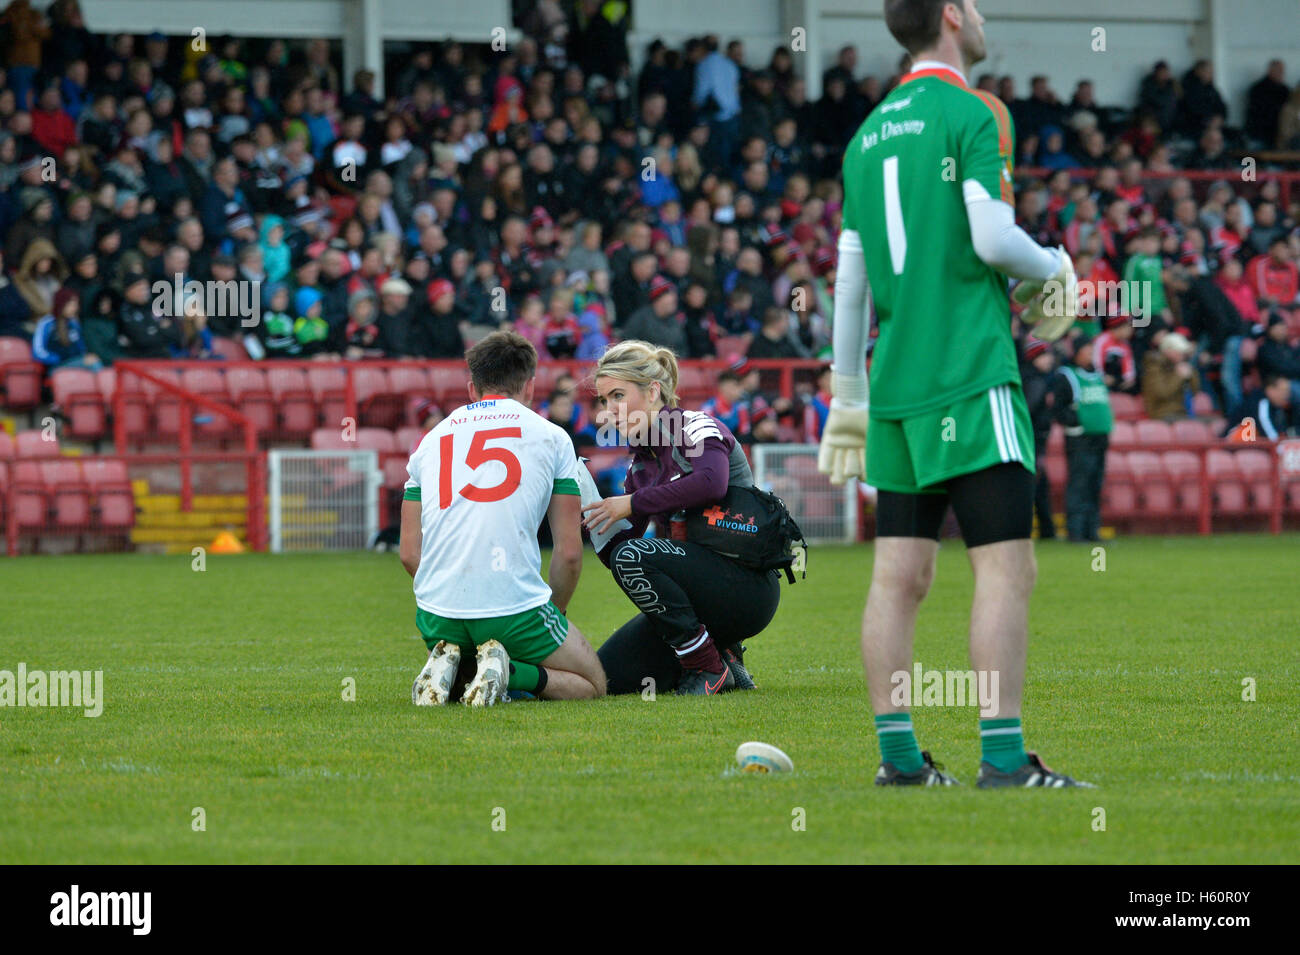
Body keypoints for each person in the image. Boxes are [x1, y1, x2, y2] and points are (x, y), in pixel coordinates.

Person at [818, 0, 1091, 787]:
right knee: (1007, 569)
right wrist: (1054, 267)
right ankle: (1003, 757)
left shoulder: (867, 135)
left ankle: (900, 762)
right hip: (971, 374)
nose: (979, 16)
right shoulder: (976, 112)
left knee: (897, 579)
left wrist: (847, 394)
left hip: (898, 385)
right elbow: (990, 238)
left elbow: (850, 277)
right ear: (949, 15)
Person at [400, 330, 606, 705]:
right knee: (593, 683)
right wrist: (554, 614)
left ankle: (456, 664)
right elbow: (570, 553)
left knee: (466, 639)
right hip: (514, 611)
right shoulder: (553, 437)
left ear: (471, 388)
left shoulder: (429, 441)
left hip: (436, 614)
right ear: (529, 387)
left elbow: (409, 554)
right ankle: (509, 670)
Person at [581, 340, 782, 696]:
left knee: (633, 556)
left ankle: (707, 665)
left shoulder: (695, 425)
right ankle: (722, 657)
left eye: (617, 395)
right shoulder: (640, 463)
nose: (608, 410)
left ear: (653, 391)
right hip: (701, 603)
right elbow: (621, 555)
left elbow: (711, 483)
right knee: (607, 679)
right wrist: (586, 511)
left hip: (747, 589)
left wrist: (631, 503)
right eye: (603, 400)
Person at [1053, 338, 1113, 542]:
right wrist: (1076, 423)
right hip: (1080, 439)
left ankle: (1092, 530)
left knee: (1095, 483)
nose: (1090, 355)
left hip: (1100, 437)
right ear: (1077, 353)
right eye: (1087, 351)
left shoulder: (1098, 375)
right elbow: (1058, 409)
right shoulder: (1067, 376)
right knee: (1079, 484)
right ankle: (1076, 532)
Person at [1020, 337, 1057, 540]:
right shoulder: (1036, 382)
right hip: (1032, 441)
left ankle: (1046, 530)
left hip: (1031, 439)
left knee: (1038, 486)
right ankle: (1043, 530)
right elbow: (1029, 409)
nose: (1050, 360)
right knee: (1034, 486)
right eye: (1045, 355)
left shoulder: (1028, 378)